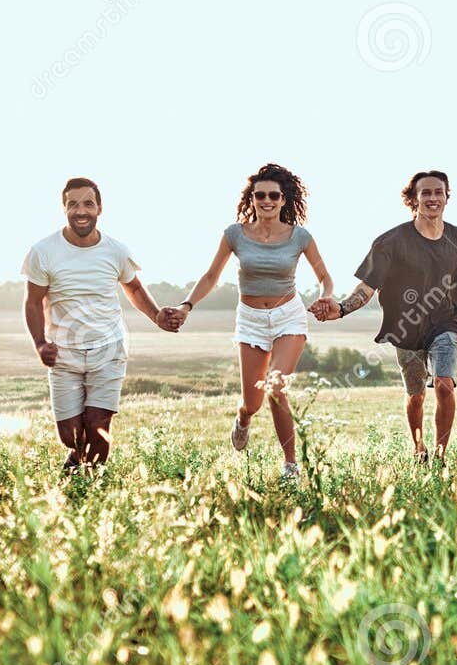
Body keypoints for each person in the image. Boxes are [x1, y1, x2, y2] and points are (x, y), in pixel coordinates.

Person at [311, 170, 457, 462]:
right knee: (417, 394)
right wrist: (342, 308)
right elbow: (368, 286)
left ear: (447, 197)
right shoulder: (390, 242)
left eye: (438, 192)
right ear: (414, 199)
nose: (433, 198)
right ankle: (418, 447)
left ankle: (441, 454)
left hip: (447, 321)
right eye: (426, 193)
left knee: (444, 384)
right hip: (405, 328)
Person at [161, 163, 334, 479]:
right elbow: (211, 275)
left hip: (288, 317)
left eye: (273, 195)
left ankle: (290, 466)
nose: (266, 201)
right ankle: (243, 418)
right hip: (251, 320)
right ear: (252, 199)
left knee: (276, 388)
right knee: (252, 402)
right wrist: (187, 306)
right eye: (260, 195)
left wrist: (327, 295)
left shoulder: (300, 237)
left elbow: (324, 277)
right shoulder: (235, 235)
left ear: (284, 200)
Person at [22, 177, 180, 472]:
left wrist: (157, 315)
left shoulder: (115, 250)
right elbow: (33, 302)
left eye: (88, 204)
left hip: (108, 347)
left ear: (99, 208)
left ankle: (88, 486)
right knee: (70, 436)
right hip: (63, 351)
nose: (81, 211)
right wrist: (40, 343)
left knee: (98, 426)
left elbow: (133, 288)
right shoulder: (43, 251)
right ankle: (75, 467)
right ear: (64, 208)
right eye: (73, 204)